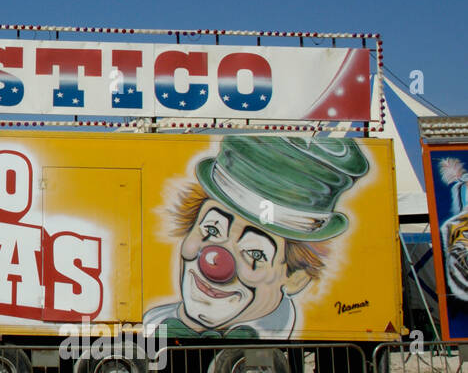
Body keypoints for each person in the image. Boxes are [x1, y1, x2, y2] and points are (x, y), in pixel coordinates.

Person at [145, 136, 369, 339]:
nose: (214, 262)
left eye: (254, 253)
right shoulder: (153, 321)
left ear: (296, 278)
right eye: (212, 230)